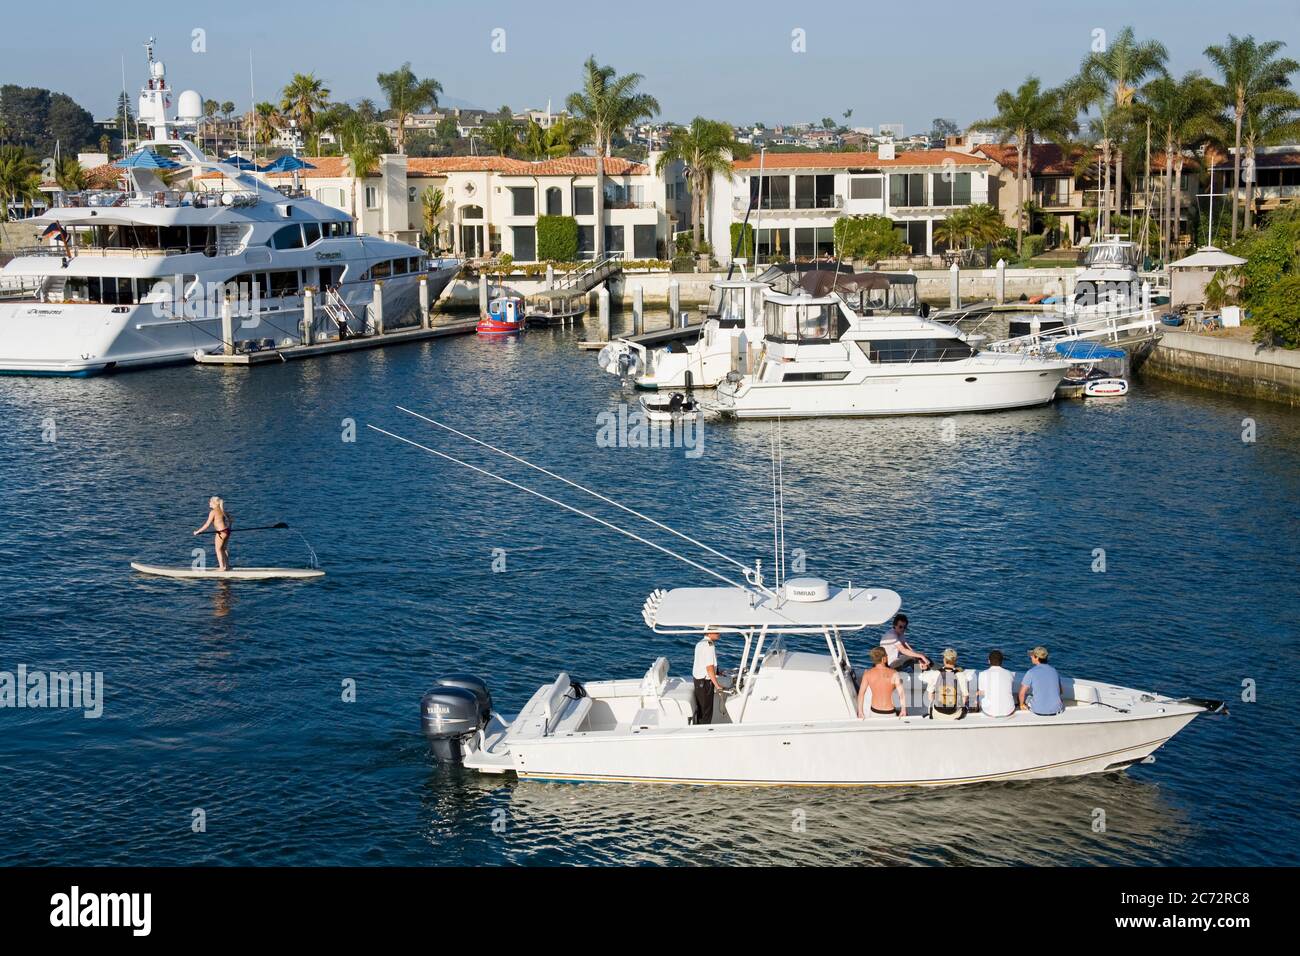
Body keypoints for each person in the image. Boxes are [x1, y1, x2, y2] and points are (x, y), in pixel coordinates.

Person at [857, 647, 907, 718]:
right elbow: (901, 693)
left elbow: (861, 694)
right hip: (890, 712)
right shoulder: (894, 673)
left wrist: (860, 711)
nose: (887, 656)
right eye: (886, 655)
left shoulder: (867, 674)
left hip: (875, 711)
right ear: (883, 659)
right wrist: (903, 709)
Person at [692, 629, 725, 725]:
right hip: (705, 682)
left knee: (702, 710)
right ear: (709, 633)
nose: (719, 633)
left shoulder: (700, 643)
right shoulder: (709, 645)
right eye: (717, 632)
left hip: (698, 681)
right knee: (706, 712)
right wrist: (717, 685)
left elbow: (702, 662)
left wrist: (718, 671)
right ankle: (703, 733)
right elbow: (709, 667)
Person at [1019, 645, 1064, 716]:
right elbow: (1061, 692)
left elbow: (1021, 693)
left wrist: (1021, 704)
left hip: (1038, 711)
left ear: (1037, 658)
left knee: (1027, 698)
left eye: (1032, 655)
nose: (1031, 657)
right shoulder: (1054, 670)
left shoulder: (1031, 672)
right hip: (1057, 710)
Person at [194, 496, 231, 571]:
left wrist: (198, 531)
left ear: (214, 503)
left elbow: (207, 524)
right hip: (227, 531)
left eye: (210, 501)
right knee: (224, 549)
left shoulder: (213, 512)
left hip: (221, 533)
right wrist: (230, 527)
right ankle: (227, 566)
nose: (209, 503)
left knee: (218, 549)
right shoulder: (222, 510)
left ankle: (221, 568)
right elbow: (231, 520)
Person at [929, 648, 967, 719]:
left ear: (944, 660)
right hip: (955, 713)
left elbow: (930, 695)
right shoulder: (961, 675)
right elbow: (965, 697)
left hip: (937, 712)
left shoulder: (936, 673)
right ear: (955, 660)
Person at [977, 649, 1015, 718]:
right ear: (1002, 661)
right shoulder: (1010, 674)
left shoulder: (982, 674)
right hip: (1009, 710)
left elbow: (982, 693)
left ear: (989, 661)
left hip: (989, 712)